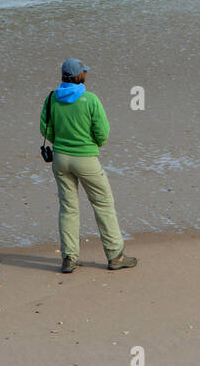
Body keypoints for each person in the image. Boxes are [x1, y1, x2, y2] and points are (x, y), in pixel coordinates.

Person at [39, 58, 138, 274]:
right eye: (84, 72)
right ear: (79, 75)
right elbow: (102, 133)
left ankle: (69, 258)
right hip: (86, 159)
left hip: (60, 159)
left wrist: (61, 142)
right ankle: (115, 255)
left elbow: (45, 128)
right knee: (103, 204)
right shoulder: (91, 99)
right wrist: (91, 144)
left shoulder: (51, 98)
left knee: (68, 208)